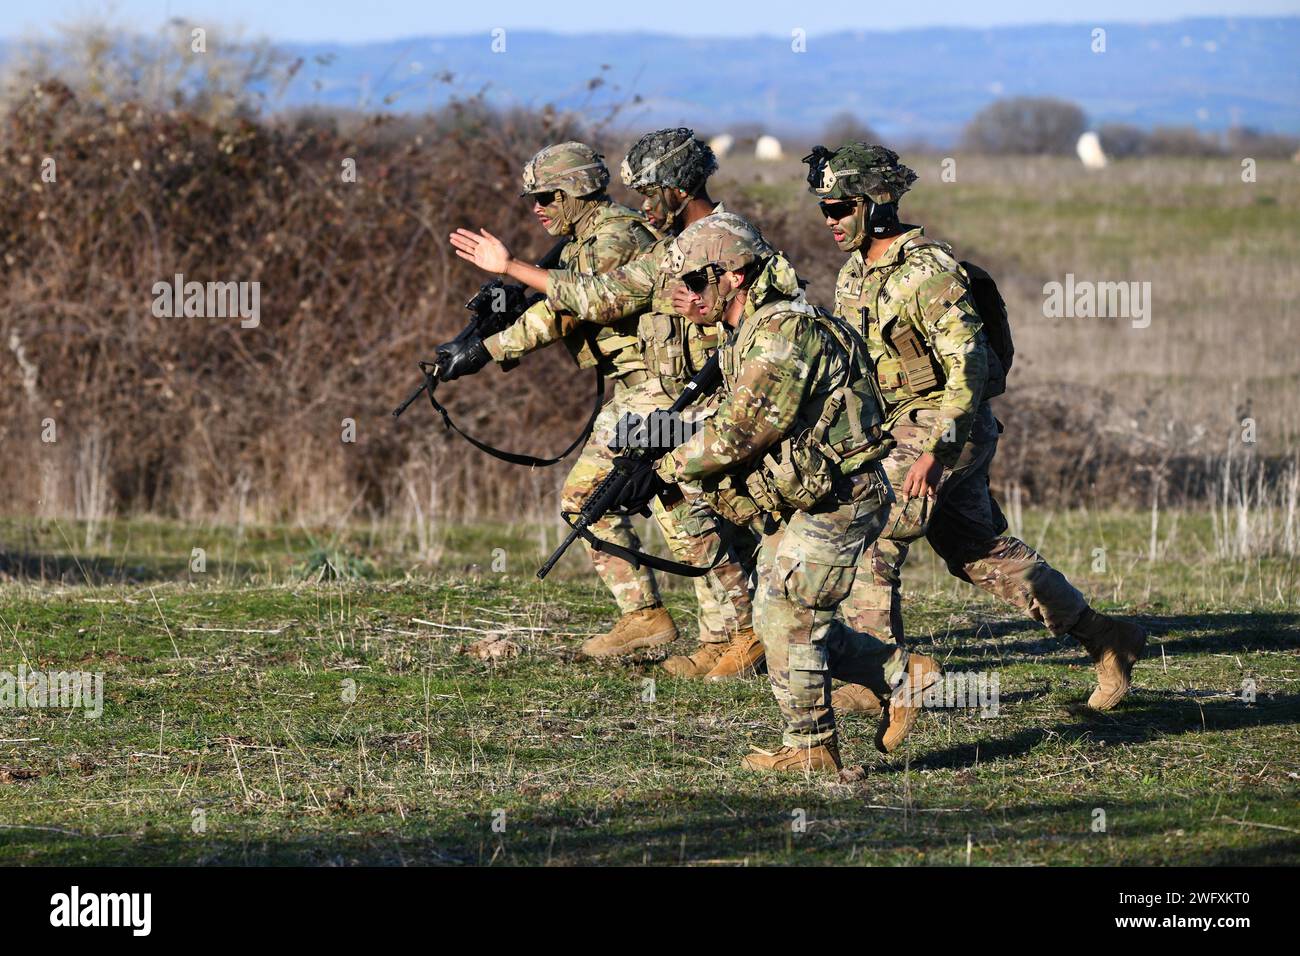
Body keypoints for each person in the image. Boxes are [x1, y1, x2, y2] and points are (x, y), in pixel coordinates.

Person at [801, 142, 1146, 715]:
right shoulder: (855, 271)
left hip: (942, 427)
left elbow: (969, 365)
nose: (831, 221)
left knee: (870, 532)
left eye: (840, 208)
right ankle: (1106, 637)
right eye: (825, 211)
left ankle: (878, 679)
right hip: (898, 428)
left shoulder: (927, 272)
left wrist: (937, 450)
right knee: (979, 553)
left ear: (877, 204)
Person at [613, 211, 942, 772]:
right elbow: (729, 417)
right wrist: (656, 444)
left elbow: (742, 431)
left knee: (788, 613)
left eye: (695, 283)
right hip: (810, 495)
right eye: (679, 285)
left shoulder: (781, 334)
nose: (684, 297)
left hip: (840, 496)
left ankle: (813, 747)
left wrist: (667, 467)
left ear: (734, 276)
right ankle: (900, 673)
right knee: (778, 617)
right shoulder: (750, 329)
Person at [444, 136, 756, 673]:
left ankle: (735, 635)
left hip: (675, 390)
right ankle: (705, 631)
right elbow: (572, 303)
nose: (538, 209)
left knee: (673, 510)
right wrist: (482, 345)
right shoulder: (640, 242)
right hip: (652, 388)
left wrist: (504, 291)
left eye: (546, 197)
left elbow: (592, 302)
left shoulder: (639, 238)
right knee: (667, 508)